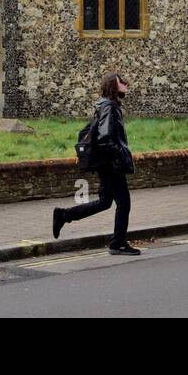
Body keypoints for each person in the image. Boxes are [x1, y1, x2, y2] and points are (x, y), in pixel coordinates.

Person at [52, 73, 139, 255]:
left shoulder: (105, 105)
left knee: (105, 202)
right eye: (121, 82)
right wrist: (120, 155)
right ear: (113, 86)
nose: (126, 84)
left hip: (106, 163)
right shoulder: (109, 107)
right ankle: (118, 244)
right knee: (124, 203)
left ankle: (64, 215)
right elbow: (105, 138)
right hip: (111, 164)